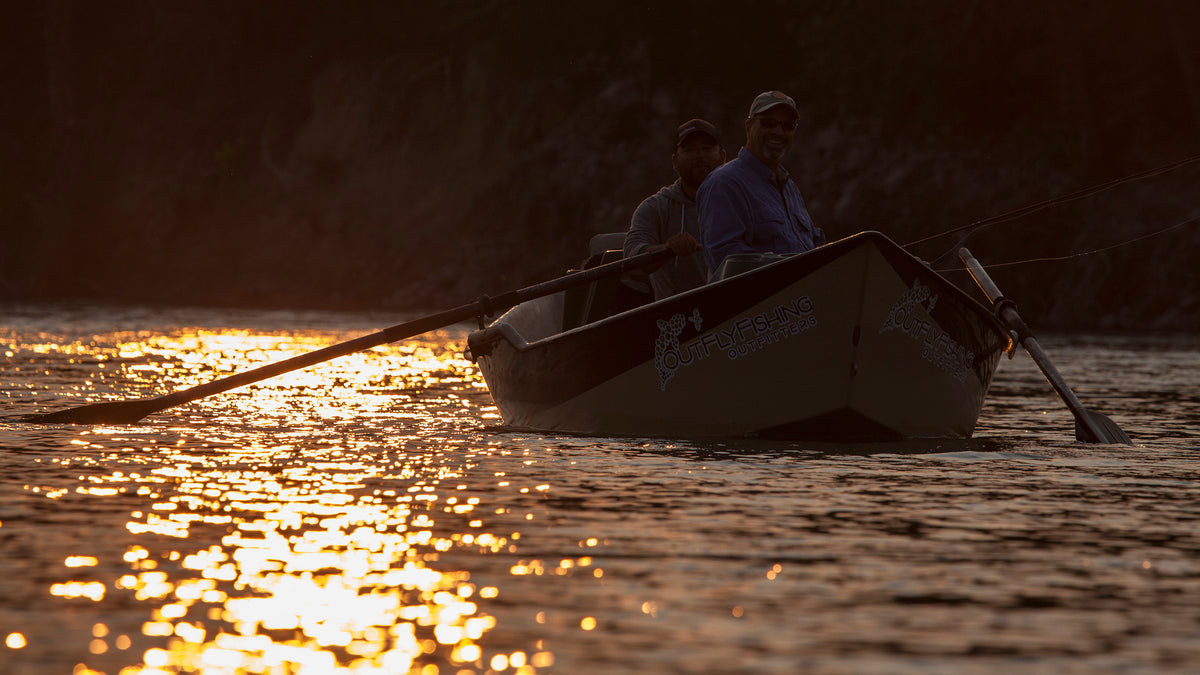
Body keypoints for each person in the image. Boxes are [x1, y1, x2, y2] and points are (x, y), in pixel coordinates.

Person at [697, 91, 826, 274]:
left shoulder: (790, 188)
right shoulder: (724, 183)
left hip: (807, 297)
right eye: (768, 123)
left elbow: (816, 246)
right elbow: (726, 261)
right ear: (749, 126)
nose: (778, 132)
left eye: (787, 126)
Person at [623, 118, 726, 300]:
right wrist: (667, 249)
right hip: (681, 320)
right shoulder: (654, 208)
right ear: (674, 161)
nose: (699, 156)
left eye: (707, 148)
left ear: (723, 157)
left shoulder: (745, 199)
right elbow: (632, 258)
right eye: (689, 150)